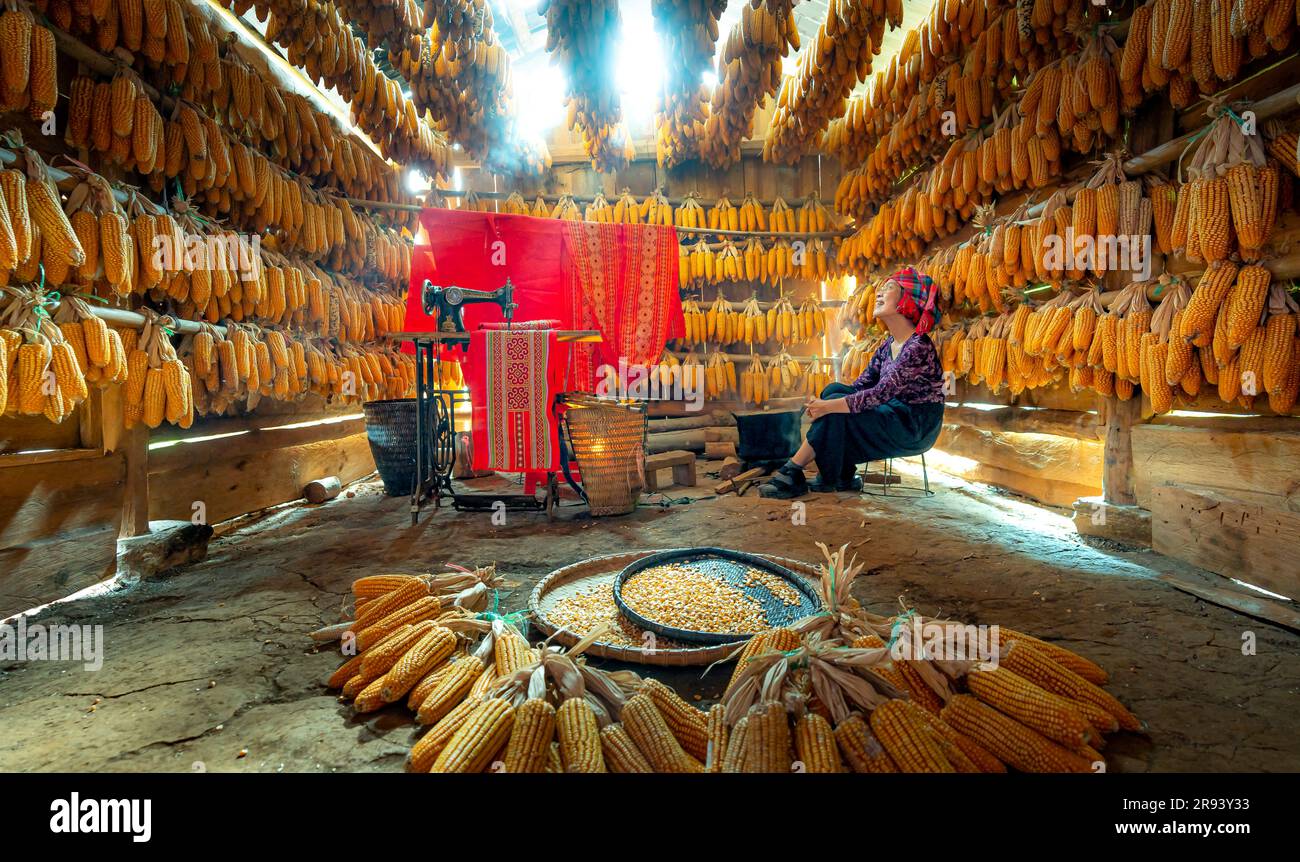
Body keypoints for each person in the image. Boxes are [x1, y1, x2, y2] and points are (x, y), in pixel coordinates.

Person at [760, 266, 946, 499]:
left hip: (914, 425)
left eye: (889, 288)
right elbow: (861, 386)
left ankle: (793, 470)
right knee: (834, 390)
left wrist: (828, 407)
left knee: (836, 403)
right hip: (893, 414)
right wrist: (827, 401)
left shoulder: (918, 347)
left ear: (907, 300)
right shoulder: (889, 345)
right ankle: (841, 474)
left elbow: (879, 394)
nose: (878, 293)